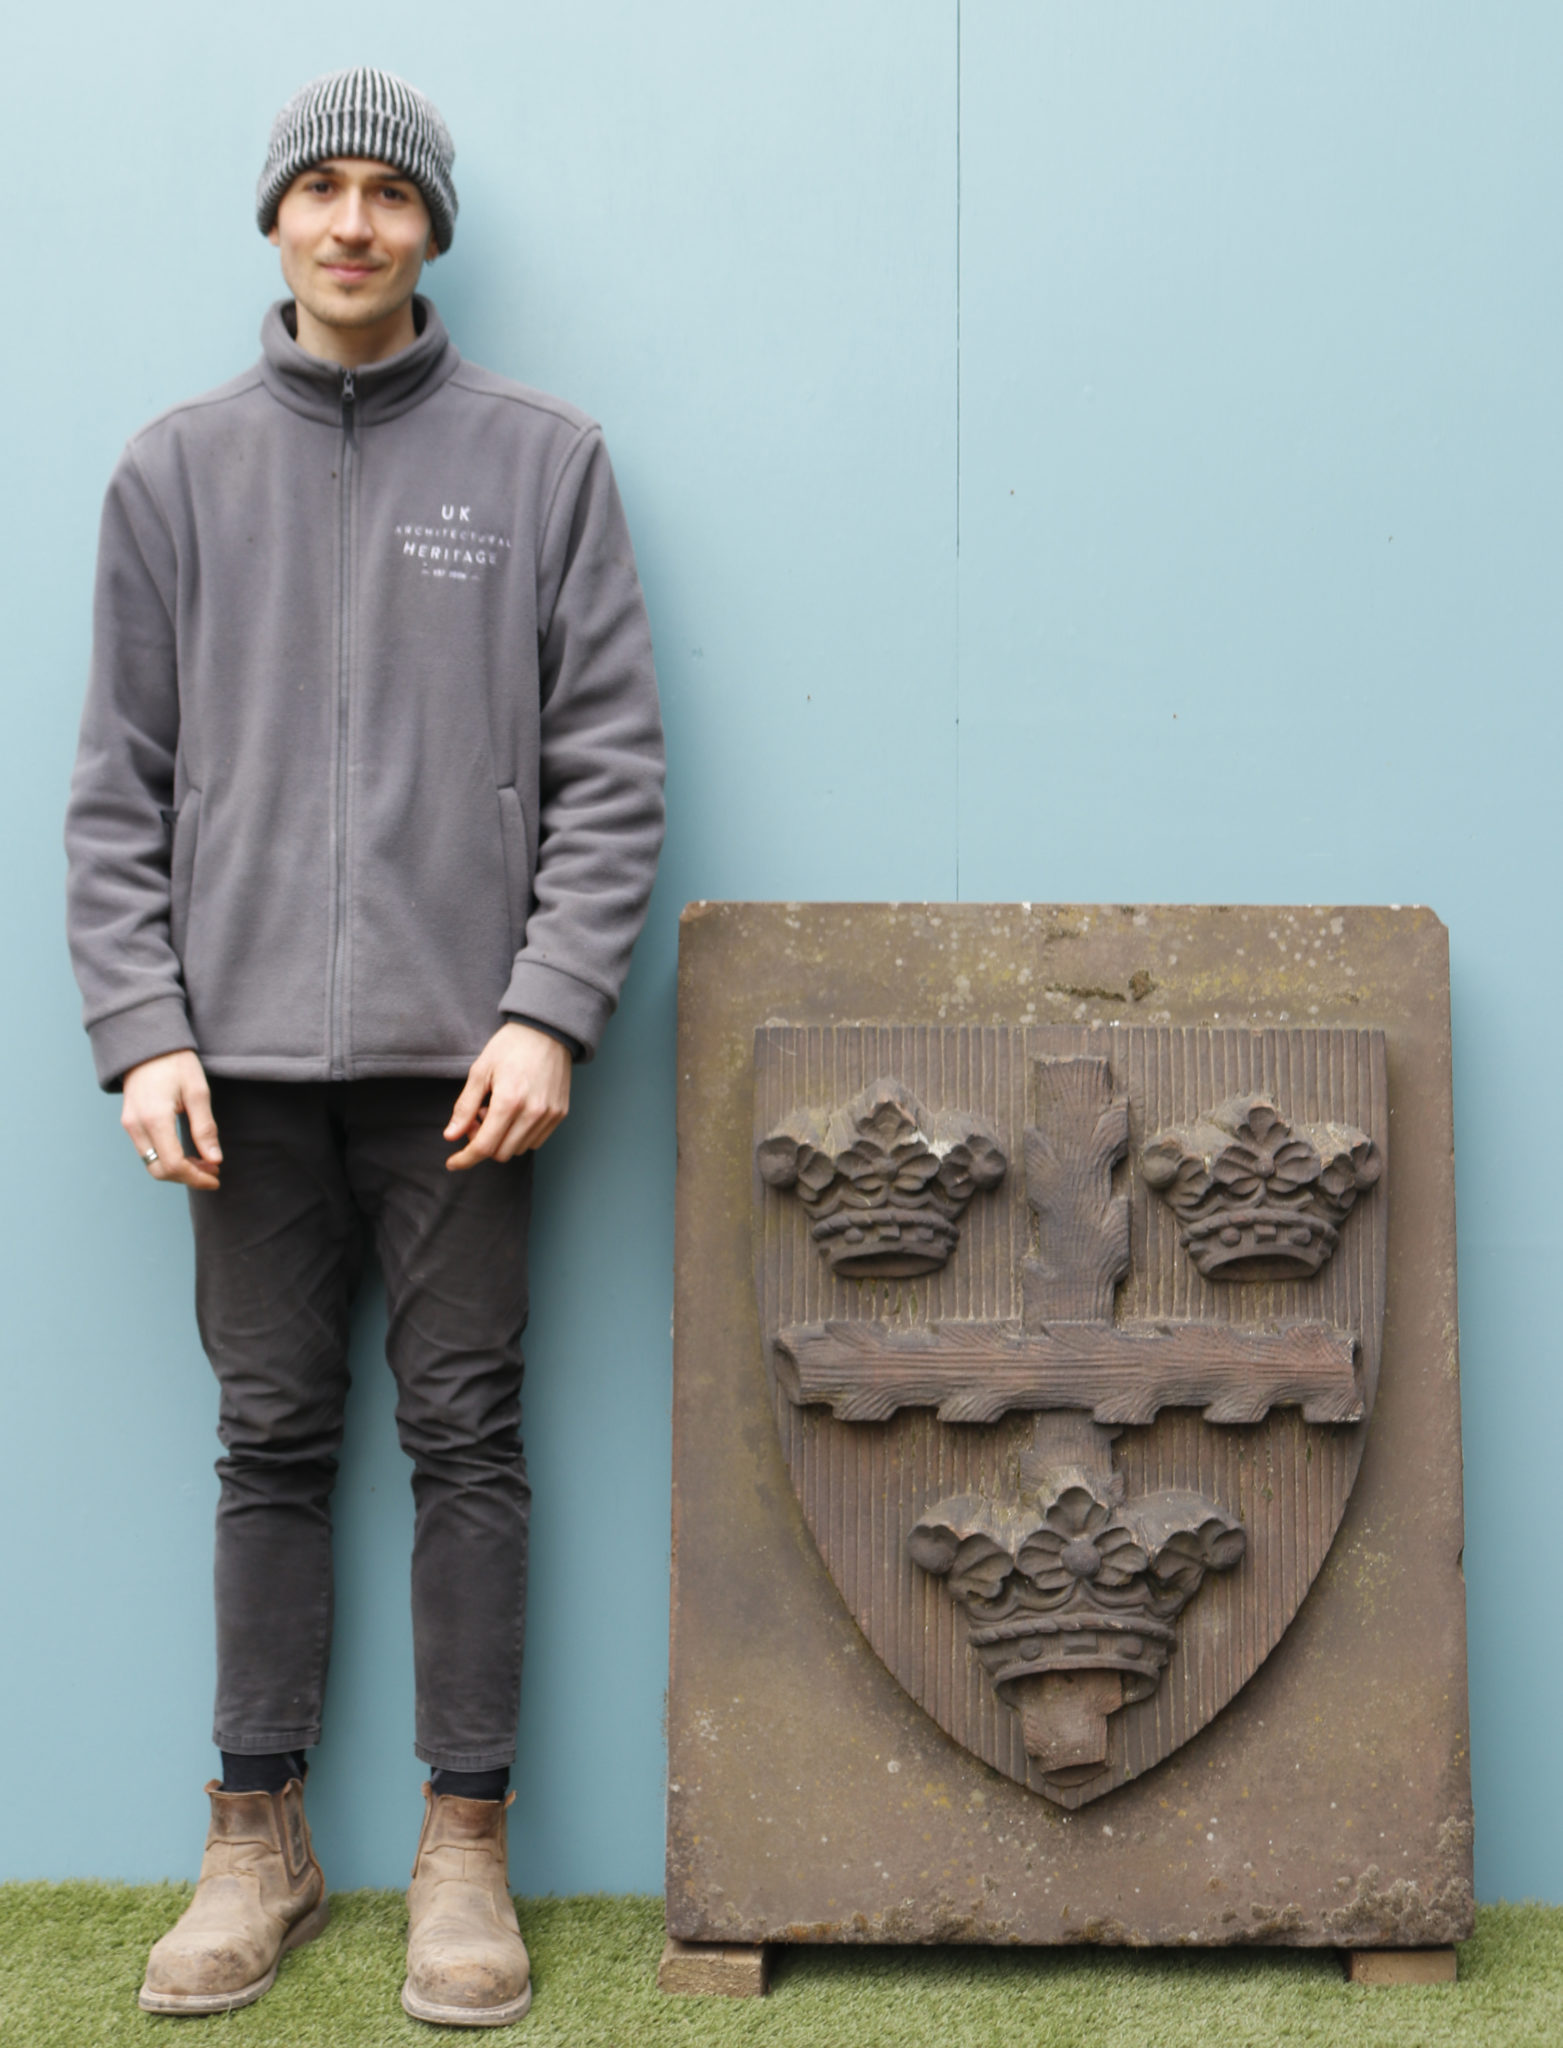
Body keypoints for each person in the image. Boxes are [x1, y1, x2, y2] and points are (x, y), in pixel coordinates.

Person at [64, 67, 665, 2026]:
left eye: (384, 195)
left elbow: (609, 774)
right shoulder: (170, 474)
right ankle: (256, 1841)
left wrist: (548, 1008)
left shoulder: (542, 461)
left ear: (429, 229)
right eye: (317, 190)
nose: (349, 223)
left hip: (465, 1073)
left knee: (467, 1433)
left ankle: (460, 1850)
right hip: (229, 1075)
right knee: (267, 1438)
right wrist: (143, 1031)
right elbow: (111, 795)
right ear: (273, 223)